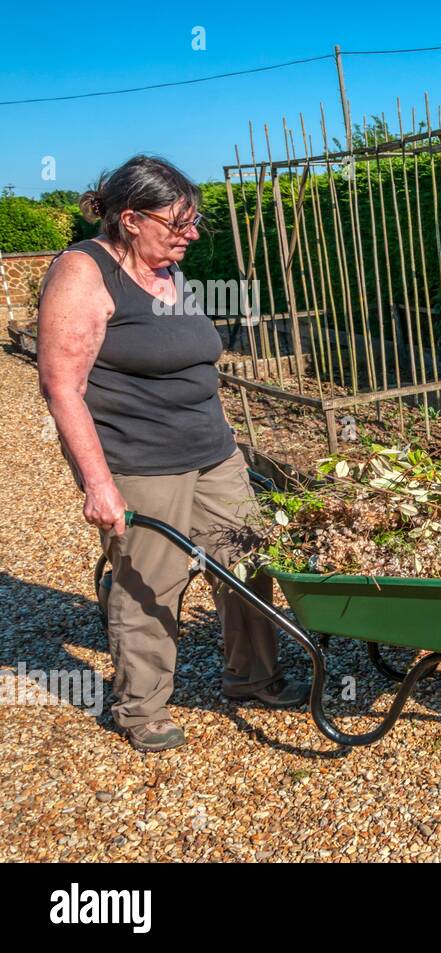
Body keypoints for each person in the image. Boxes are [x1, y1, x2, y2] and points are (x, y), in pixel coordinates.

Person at [37, 154, 306, 752]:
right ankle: (141, 708)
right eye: (177, 223)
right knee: (149, 583)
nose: (191, 235)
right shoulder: (84, 273)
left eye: (194, 222)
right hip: (140, 459)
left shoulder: (169, 268)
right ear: (130, 218)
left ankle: (251, 675)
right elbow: (62, 386)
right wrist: (98, 483)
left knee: (247, 564)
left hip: (213, 450)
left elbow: (185, 355)